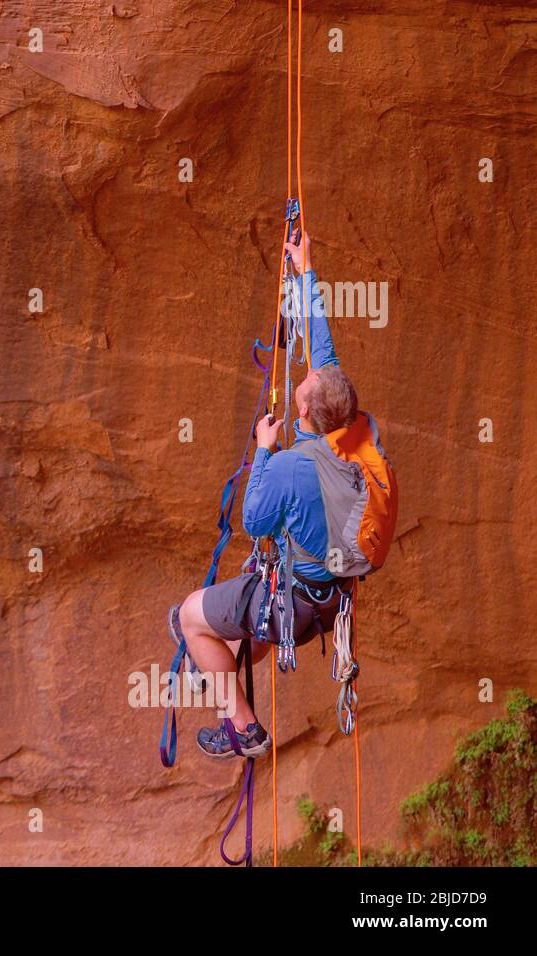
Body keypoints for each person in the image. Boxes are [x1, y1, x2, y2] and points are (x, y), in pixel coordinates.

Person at [172, 230, 363, 758]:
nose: (308, 375)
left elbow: (255, 521)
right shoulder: (346, 427)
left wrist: (262, 448)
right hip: (327, 605)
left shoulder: (291, 465)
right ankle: (221, 674)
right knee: (235, 644)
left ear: (303, 412)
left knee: (189, 615)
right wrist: (304, 270)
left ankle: (243, 727)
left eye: (305, 383)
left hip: (292, 605)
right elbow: (321, 349)